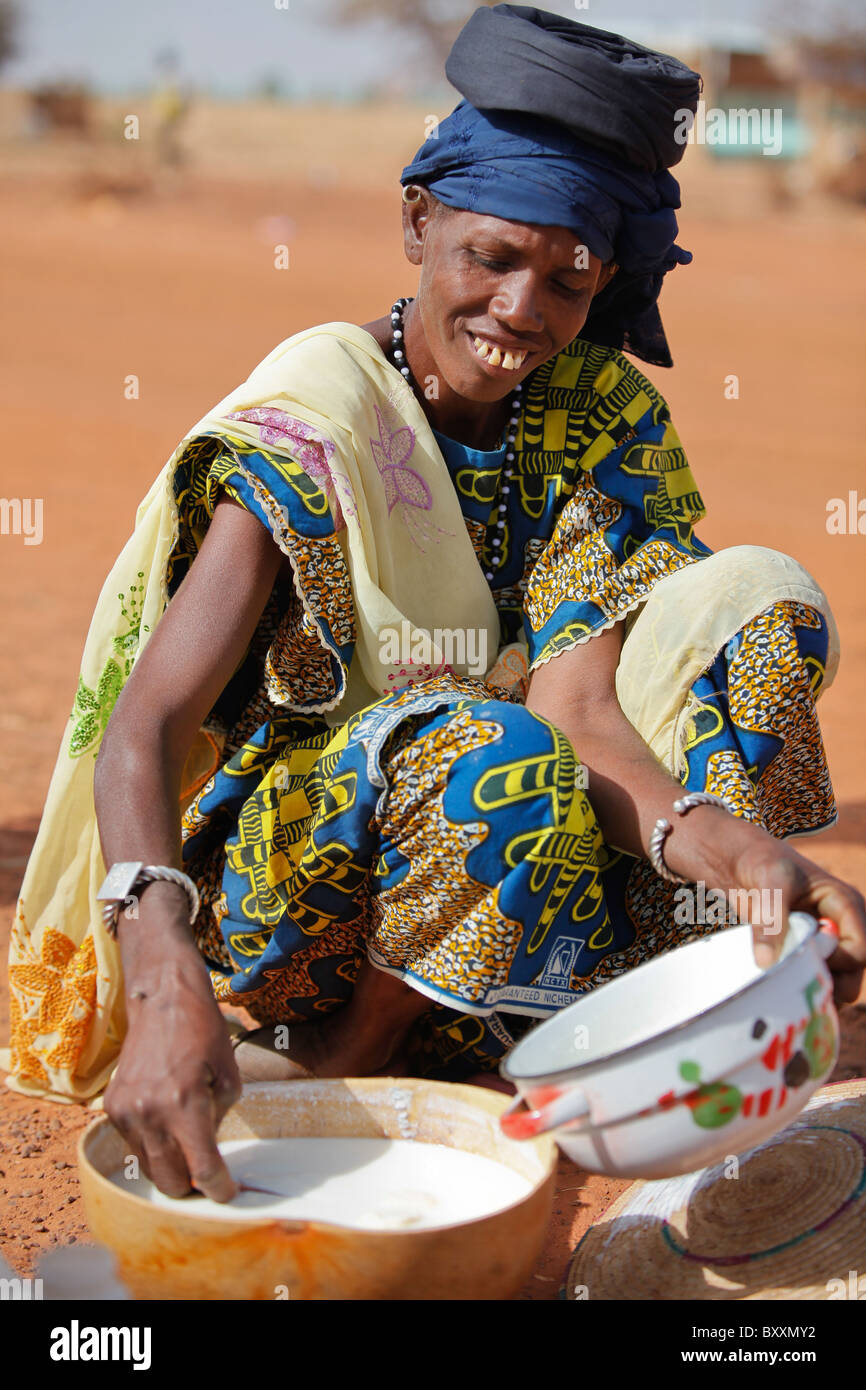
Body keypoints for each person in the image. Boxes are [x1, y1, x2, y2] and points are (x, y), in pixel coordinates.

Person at [5, 6, 865, 1205]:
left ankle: (663, 1007)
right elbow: (149, 721)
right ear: (418, 219)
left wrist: (722, 841)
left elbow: (579, 706)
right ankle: (343, 1060)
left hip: (522, 849)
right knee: (491, 750)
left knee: (756, 604)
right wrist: (155, 968)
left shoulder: (595, 410)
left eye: (570, 280)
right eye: (492, 257)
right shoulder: (322, 409)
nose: (522, 311)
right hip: (302, 883)